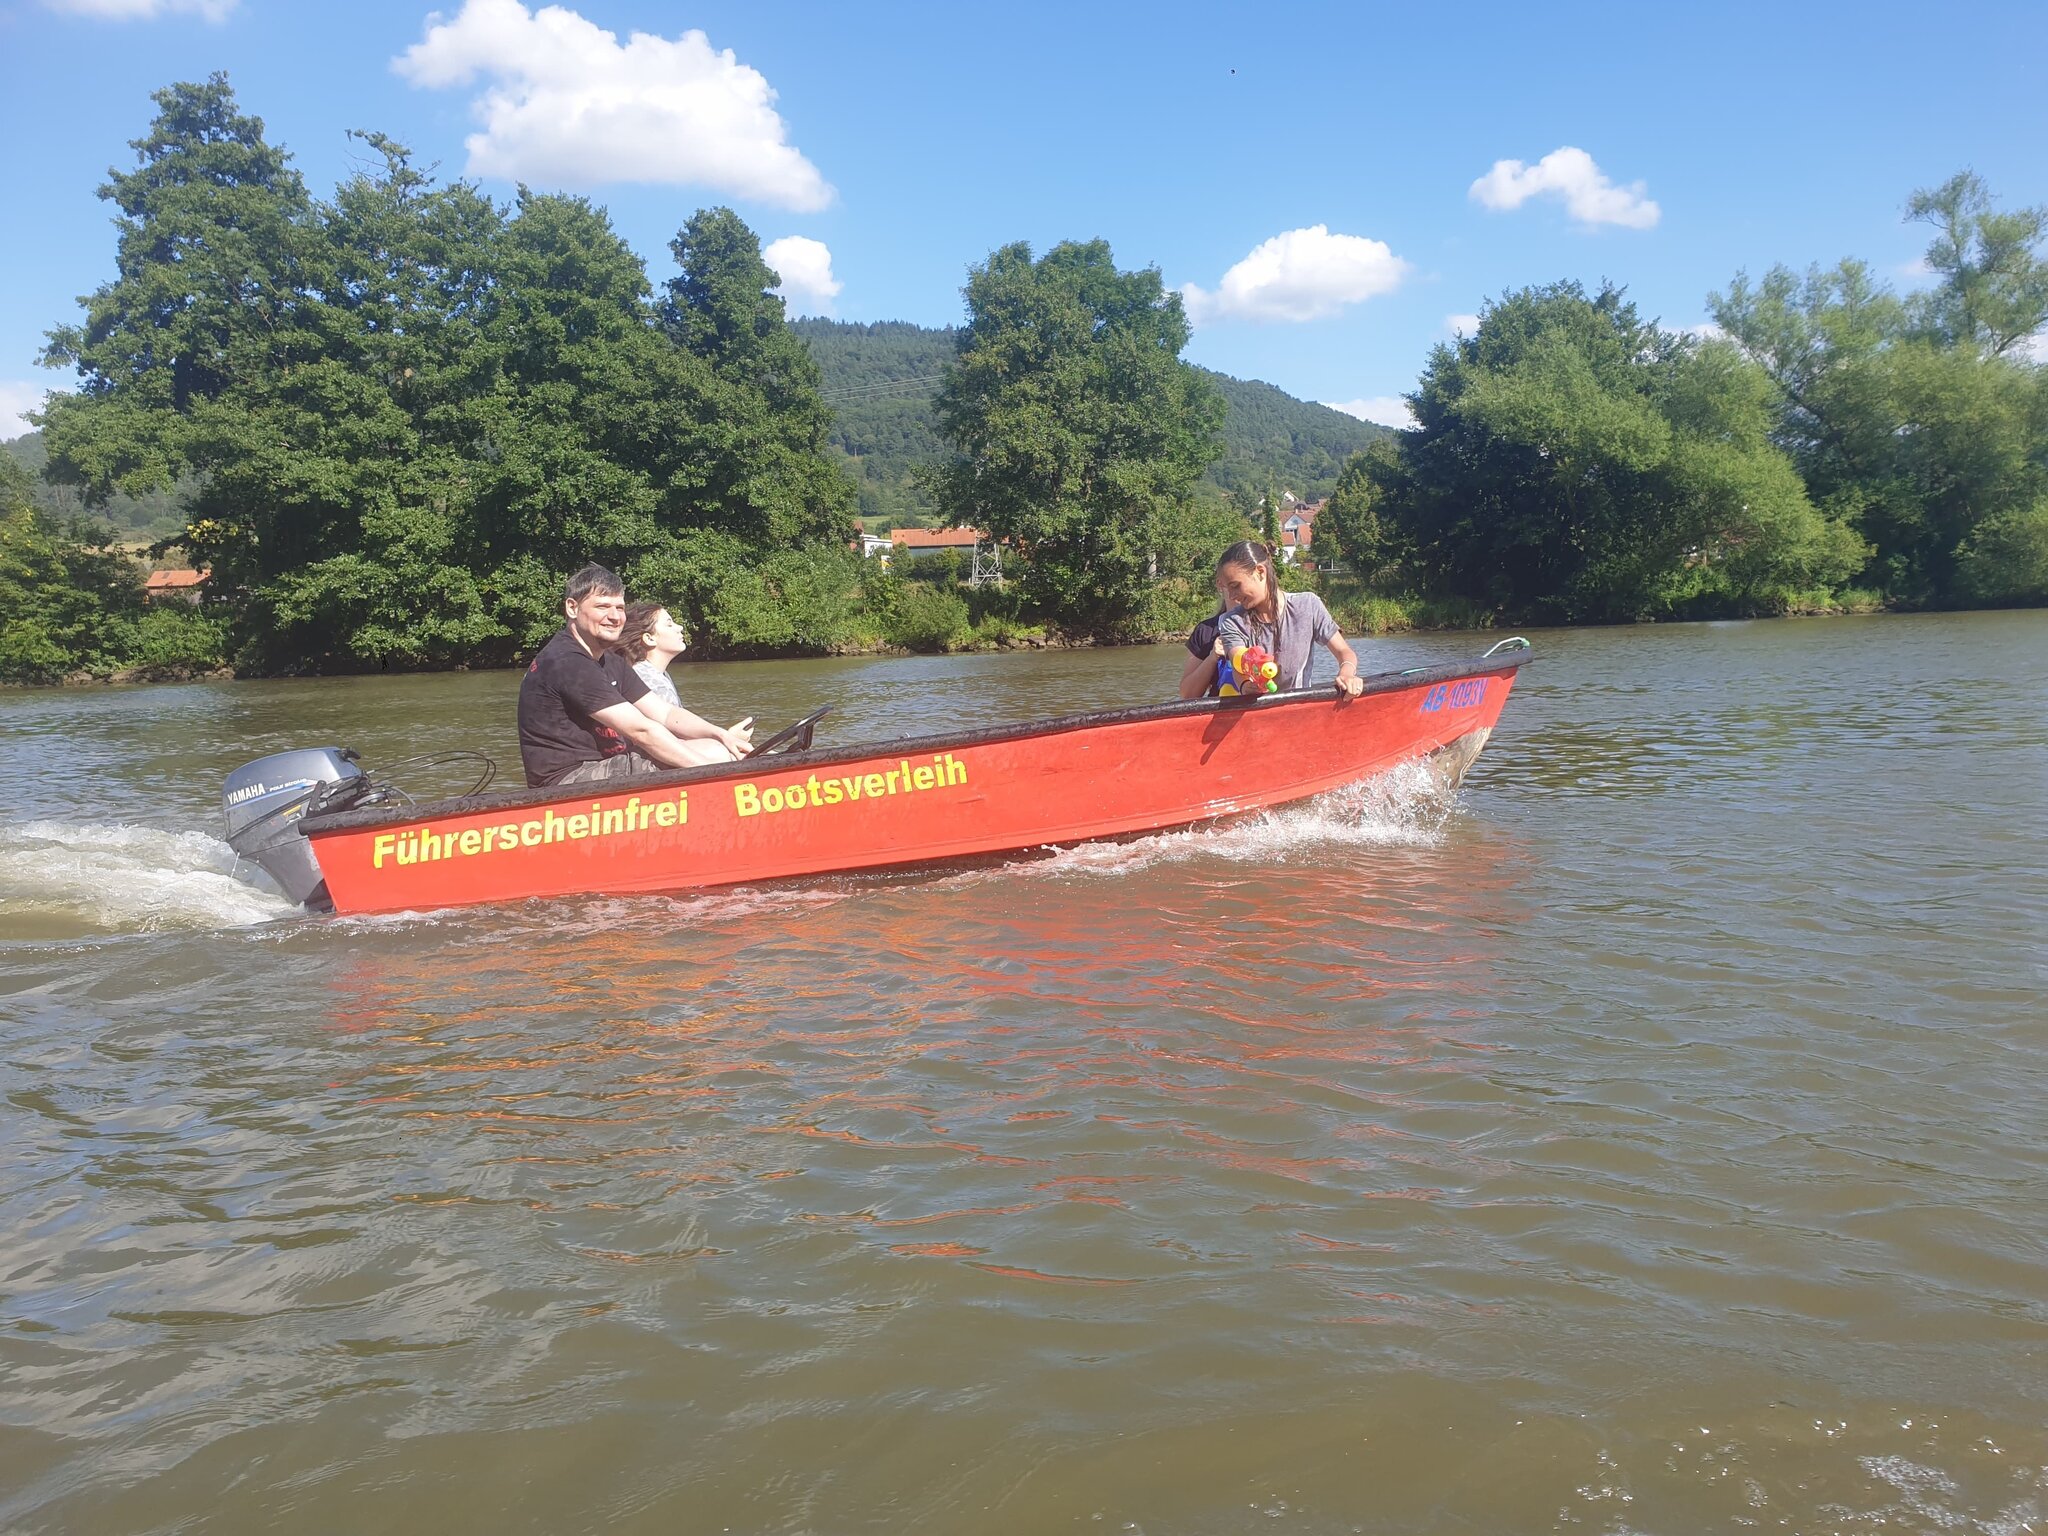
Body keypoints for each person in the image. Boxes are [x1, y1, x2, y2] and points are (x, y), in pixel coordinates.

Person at [516, 565, 754, 788]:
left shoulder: (609, 660)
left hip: (603, 767)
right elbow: (642, 731)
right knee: (714, 754)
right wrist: (717, 773)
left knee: (718, 747)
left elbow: (666, 713)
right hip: (567, 782)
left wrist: (721, 734)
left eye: (619, 608)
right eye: (602, 607)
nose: (614, 616)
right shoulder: (567, 661)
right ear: (572, 608)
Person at [1212, 540, 1366, 696]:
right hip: (1255, 713)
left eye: (1235, 586)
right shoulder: (1230, 621)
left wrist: (1347, 674)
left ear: (1260, 572)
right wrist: (1245, 685)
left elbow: (1344, 651)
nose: (1231, 596)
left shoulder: (1308, 605)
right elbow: (1238, 664)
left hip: (1300, 710)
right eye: (1227, 589)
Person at [611, 600, 754, 759]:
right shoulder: (647, 678)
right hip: (650, 760)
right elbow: (668, 741)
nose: (680, 628)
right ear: (649, 638)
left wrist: (724, 737)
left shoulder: (657, 674)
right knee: (722, 753)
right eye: (669, 624)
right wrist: (725, 739)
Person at [1178, 574, 1233, 700]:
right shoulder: (1206, 630)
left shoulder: (1271, 625)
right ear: (1220, 585)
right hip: (1220, 712)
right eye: (1234, 585)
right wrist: (1212, 657)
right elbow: (1187, 695)